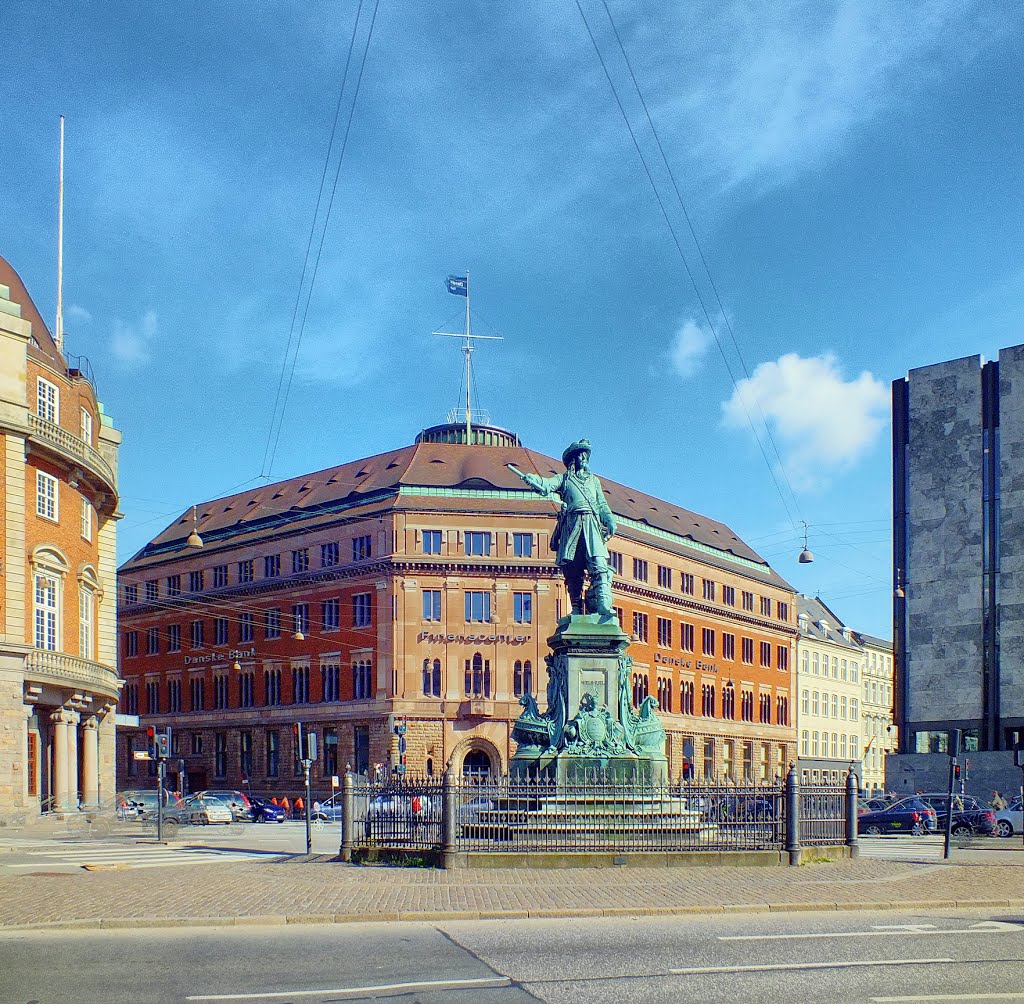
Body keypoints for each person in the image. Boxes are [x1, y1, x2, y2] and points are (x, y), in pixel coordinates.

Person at [508, 439, 616, 618]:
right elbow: (547, 484)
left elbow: (602, 505)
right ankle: (575, 607)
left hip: (591, 524)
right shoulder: (565, 479)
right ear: (573, 459)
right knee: (573, 570)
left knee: (599, 565)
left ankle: (604, 605)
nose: (583, 458)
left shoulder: (594, 481)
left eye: (585, 455)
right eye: (580, 455)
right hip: (572, 525)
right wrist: (532, 479)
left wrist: (610, 520)